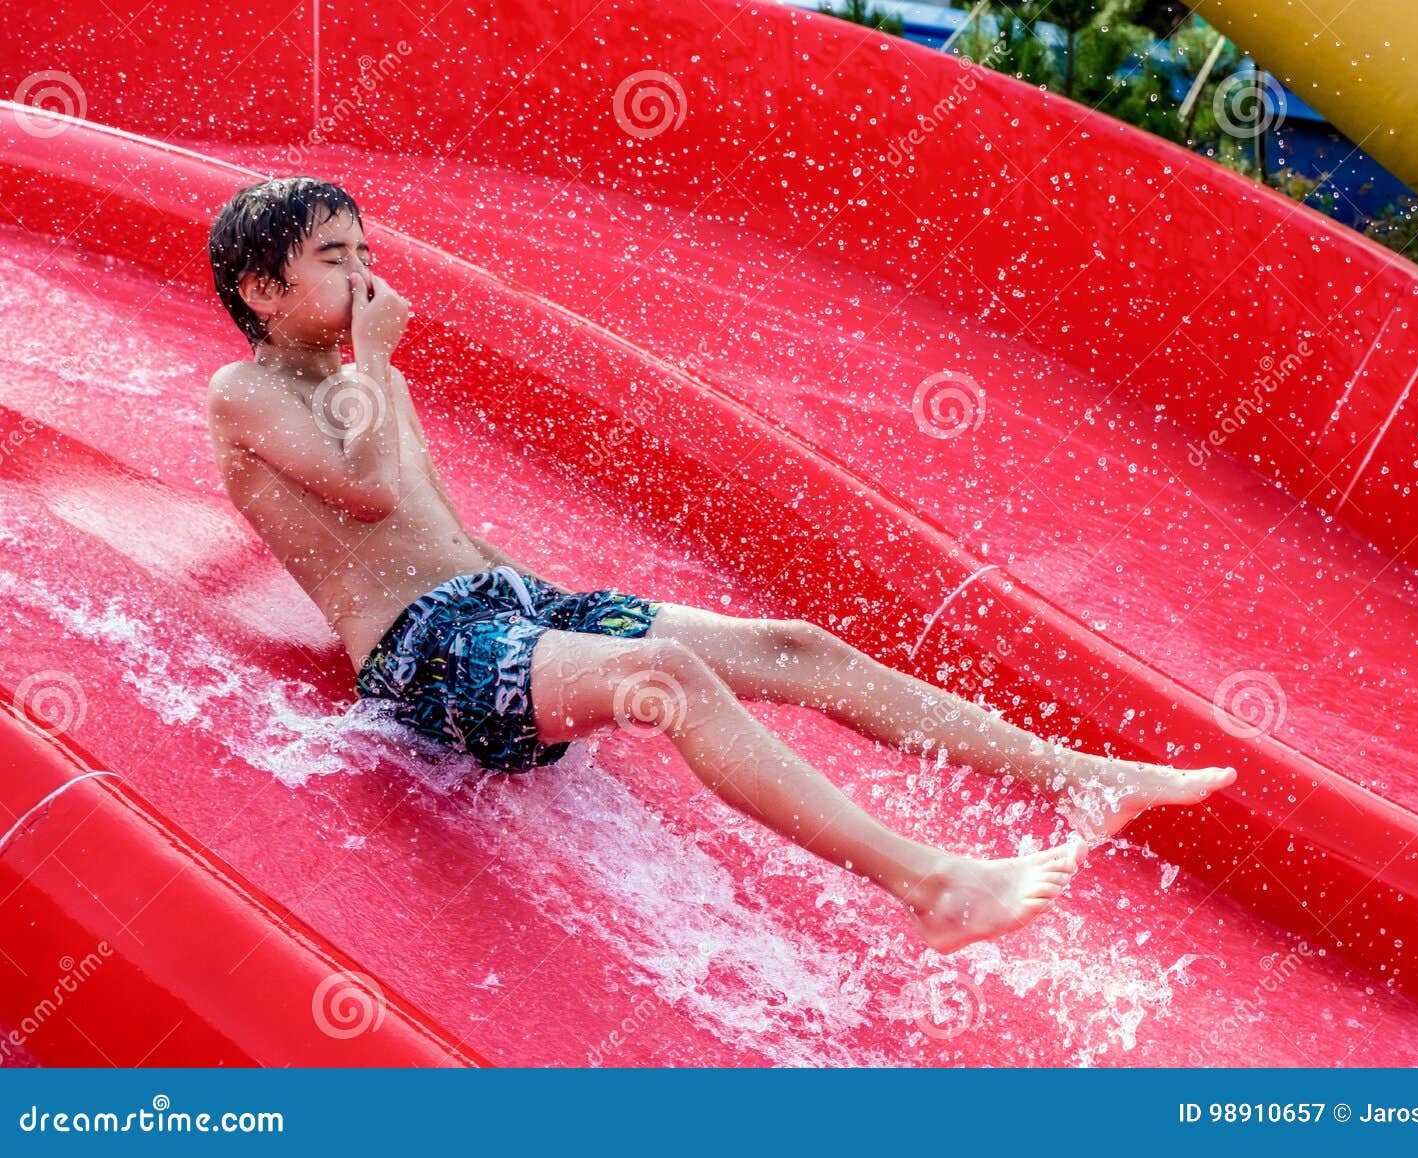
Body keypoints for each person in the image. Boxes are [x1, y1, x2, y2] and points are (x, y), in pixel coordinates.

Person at [205, 177, 1235, 953]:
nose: (368, 276)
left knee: (797, 647)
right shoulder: (243, 393)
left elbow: (443, 529)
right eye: (335, 258)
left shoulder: (364, 383)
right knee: (667, 681)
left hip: (506, 611)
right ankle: (935, 889)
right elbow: (372, 492)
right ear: (262, 288)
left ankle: (1079, 779)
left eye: (365, 250)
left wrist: (557, 612)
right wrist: (377, 357)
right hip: (430, 657)